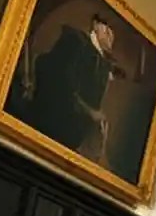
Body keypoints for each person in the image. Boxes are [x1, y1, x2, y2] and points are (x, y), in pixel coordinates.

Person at [13, 15, 129, 168]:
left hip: (68, 138)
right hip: (51, 123)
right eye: (106, 29)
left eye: (111, 34)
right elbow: (58, 78)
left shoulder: (102, 62)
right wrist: (89, 111)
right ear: (95, 25)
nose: (109, 36)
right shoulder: (75, 41)